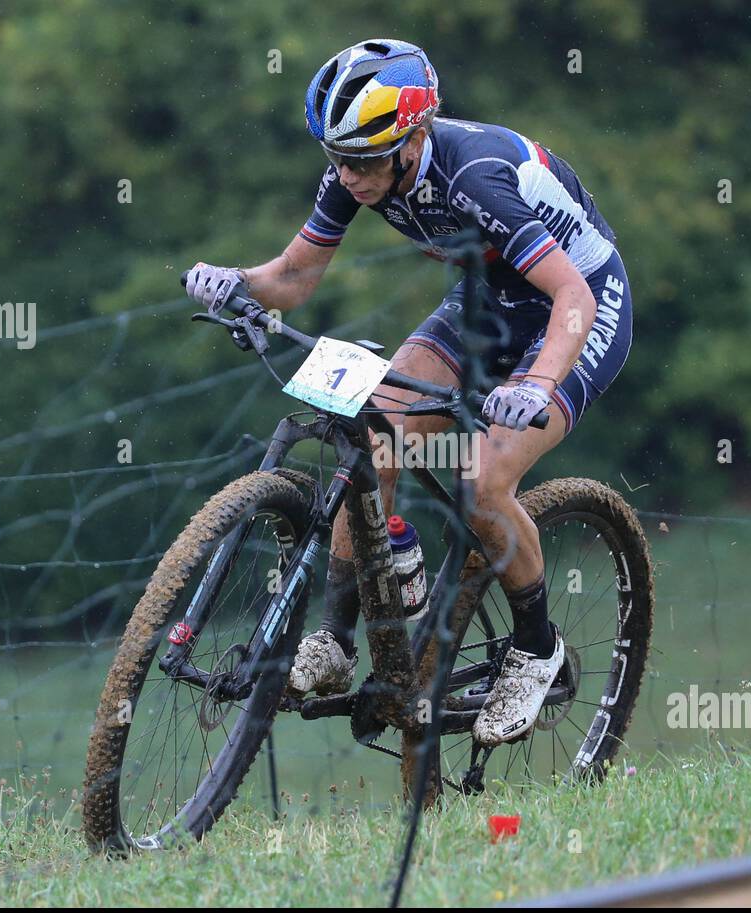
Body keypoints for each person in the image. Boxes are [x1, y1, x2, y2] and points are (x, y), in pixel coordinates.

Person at [185, 38, 632, 745]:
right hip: (487, 304)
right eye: (336, 159)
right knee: (374, 422)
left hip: (579, 306)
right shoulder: (355, 168)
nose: (348, 176)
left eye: (362, 161)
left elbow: (570, 291)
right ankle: (335, 638)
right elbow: (295, 278)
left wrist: (538, 382)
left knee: (481, 482)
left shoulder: (476, 178)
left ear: (413, 135)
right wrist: (234, 282)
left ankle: (538, 647)